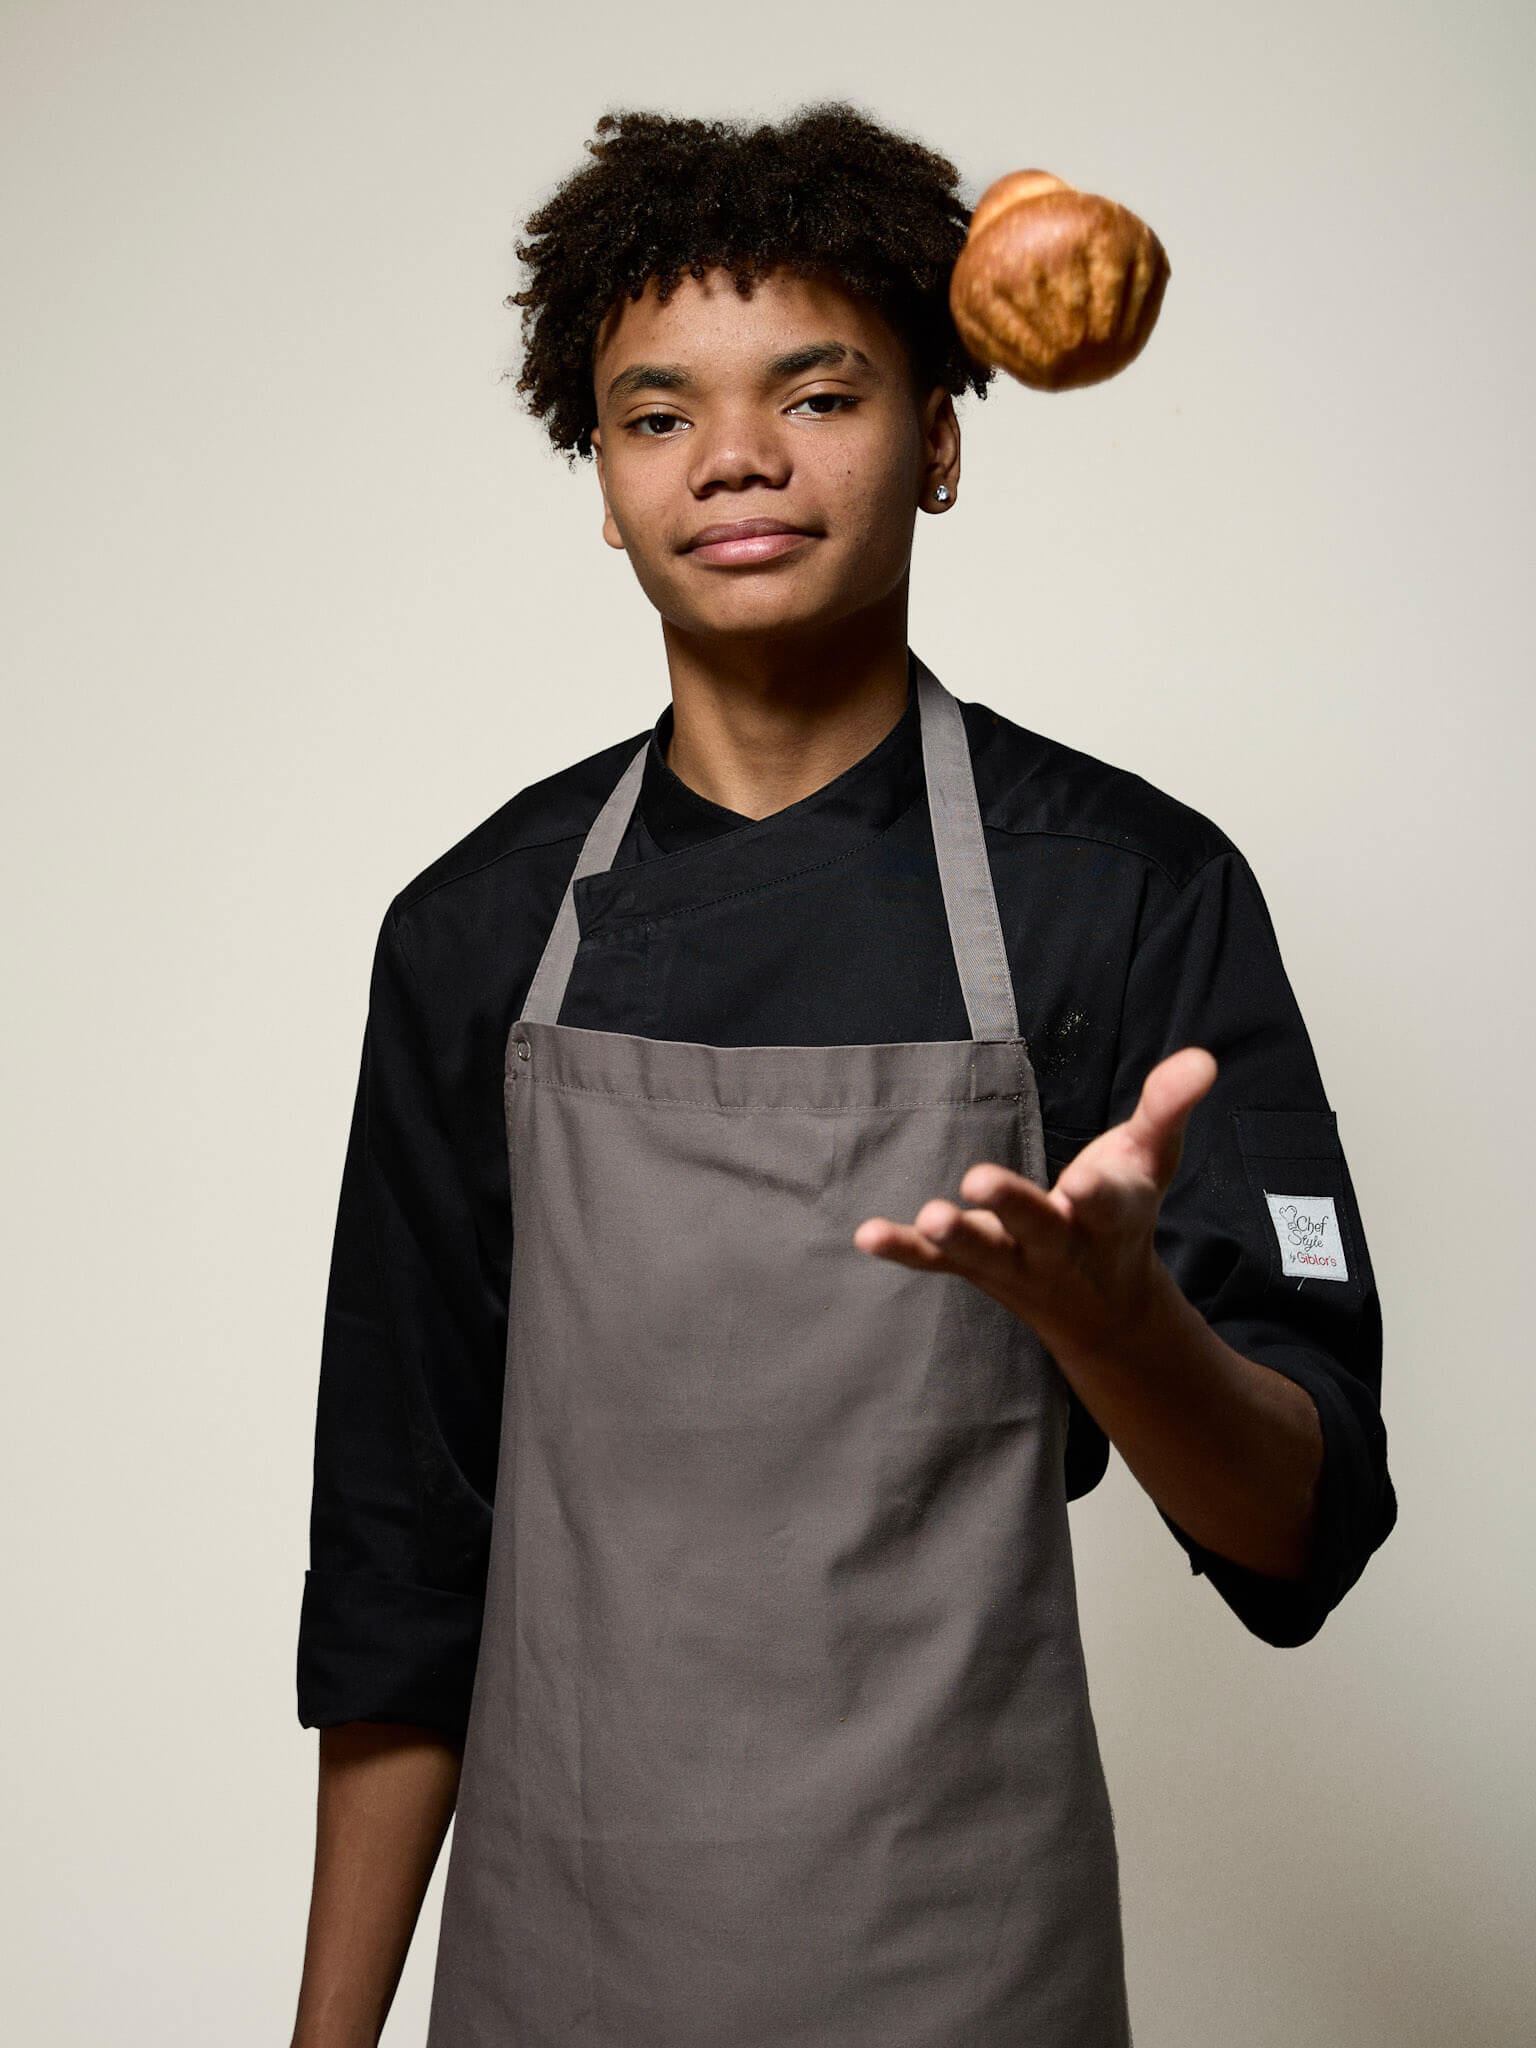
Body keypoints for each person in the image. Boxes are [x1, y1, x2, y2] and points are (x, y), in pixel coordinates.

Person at [289, 103, 1395, 2048]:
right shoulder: (474, 936)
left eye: (818, 392)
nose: (735, 457)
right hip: (563, 1971)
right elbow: (401, 1564)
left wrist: (1123, 1323)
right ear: (604, 475)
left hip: (962, 1972)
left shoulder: (1121, 903)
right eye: (658, 413)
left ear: (941, 439)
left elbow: (1301, 1532)